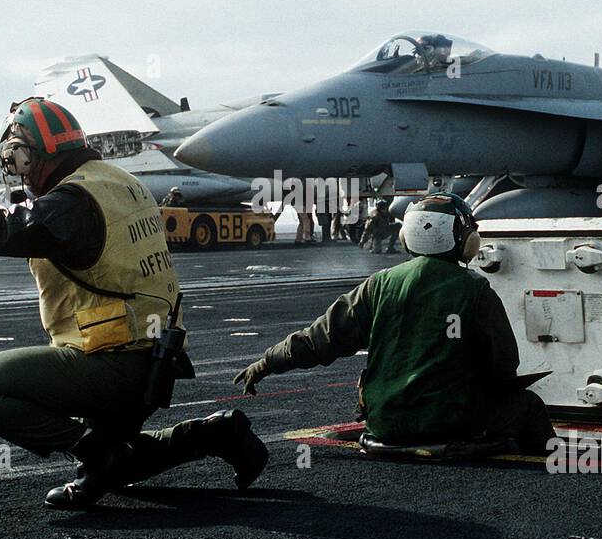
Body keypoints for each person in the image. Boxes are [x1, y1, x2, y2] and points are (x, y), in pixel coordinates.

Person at [0, 96, 269, 510]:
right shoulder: (119, 182)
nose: (17, 171)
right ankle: (214, 433)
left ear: (27, 154)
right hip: (156, 359)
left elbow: (6, 230)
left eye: (16, 159)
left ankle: (94, 451)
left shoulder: (72, 201)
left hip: (109, 365)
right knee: (124, 465)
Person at [233, 193, 555, 454]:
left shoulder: (379, 284)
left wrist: (265, 363)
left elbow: (321, 338)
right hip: (451, 425)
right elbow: (504, 364)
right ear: (465, 239)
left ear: (406, 237)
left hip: (384, 425)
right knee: (528, 406)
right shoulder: (474, 290)